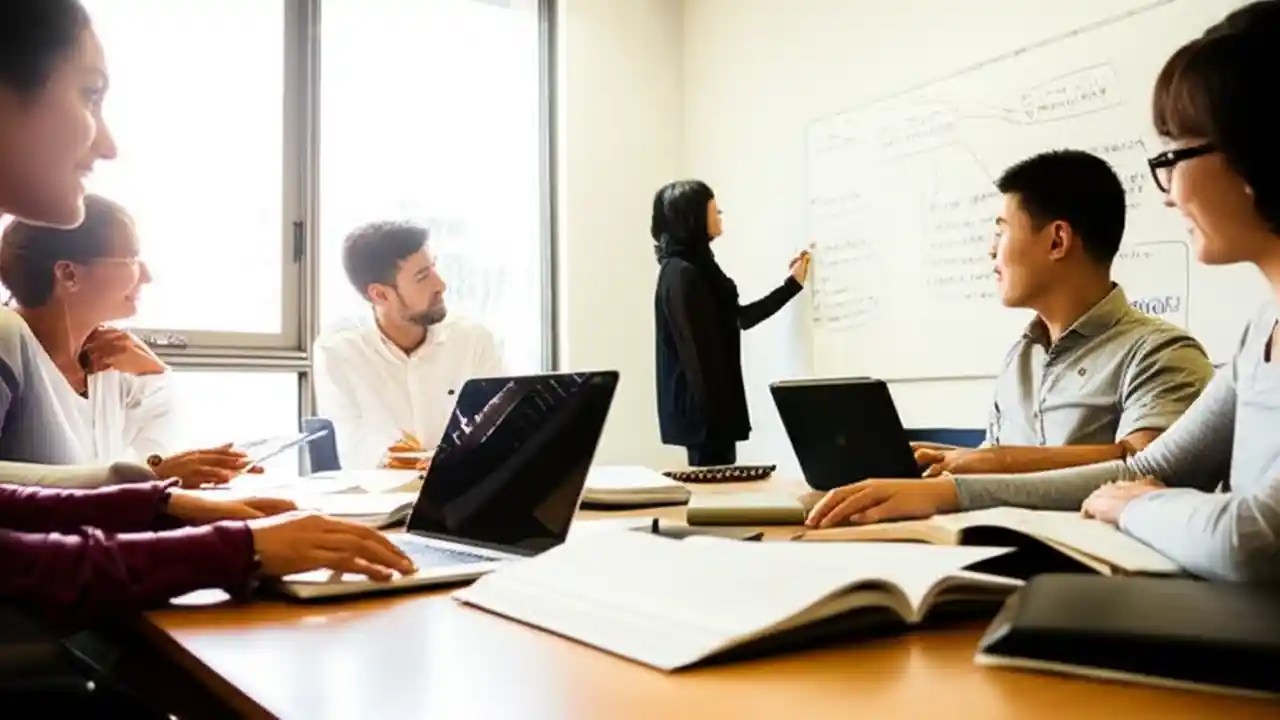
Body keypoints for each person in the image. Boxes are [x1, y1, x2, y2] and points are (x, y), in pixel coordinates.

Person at [807, 1, 1280, 585]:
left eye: (1177, 155)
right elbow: (1150, 469)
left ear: (1260, 153)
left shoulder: (1161, 349)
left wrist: (1140, 503)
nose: (1167, 191)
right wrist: (950, 494)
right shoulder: (1263, 330)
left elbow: (1253, 538)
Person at [0, 0, 414, 634]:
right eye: (90, 95)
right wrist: (235, 546)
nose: (106, 143)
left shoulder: (107, 361)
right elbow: (21, 564)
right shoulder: (12, 340)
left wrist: (170, 506)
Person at [912, 150, 1213, 478]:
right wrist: (946, 458)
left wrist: (997, 462)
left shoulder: (1162, 354)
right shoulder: (1022, 357)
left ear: (1058, 241)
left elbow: (1149, 466)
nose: (991, 249)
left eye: (1002, 232)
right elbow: (994, 461)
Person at [0, 194, 256, 486]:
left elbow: (152, 459)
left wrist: (156, 377)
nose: (146, 276)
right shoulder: (7, 336)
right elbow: (136, 478)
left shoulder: (108, 368)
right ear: (68, 274)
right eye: (131, 259)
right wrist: (150, 476)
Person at [313, 221, 505, 469]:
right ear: (380, 295)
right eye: (422, 277)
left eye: (433, 268)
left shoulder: (474, 340)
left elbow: (499, 428)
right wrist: (400, 458)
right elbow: (352, 443)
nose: (440, 285)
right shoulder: (338, 351)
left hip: (462, 494)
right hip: (379, 500)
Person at [652, 180, 810, 467]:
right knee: (714, 495)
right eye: (713, 210)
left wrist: (792, 285)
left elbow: (739, 318)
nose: (719, 215)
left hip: (712, 415)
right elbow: (694, 355)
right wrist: (716, 419)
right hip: (705, 419)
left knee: (719, 491)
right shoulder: (681, 273)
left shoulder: (698, 268)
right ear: (693, 218)